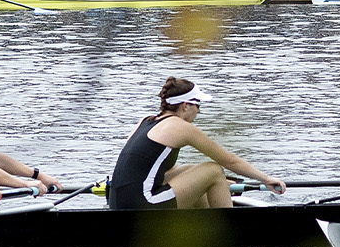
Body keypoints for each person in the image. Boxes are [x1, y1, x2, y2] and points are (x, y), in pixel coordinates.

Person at [108, 77, 284, 210]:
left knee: (192, 169)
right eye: (197, 105)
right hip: (143, 205)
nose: (198, 111)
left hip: (118, 204)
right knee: (213, 170)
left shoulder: (145, 121)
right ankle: (229, 231)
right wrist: (266, 179)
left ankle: (201, 223)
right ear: (185, 105)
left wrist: (222, 183)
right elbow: (229, 160)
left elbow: (156, 170)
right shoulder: (181, 127)